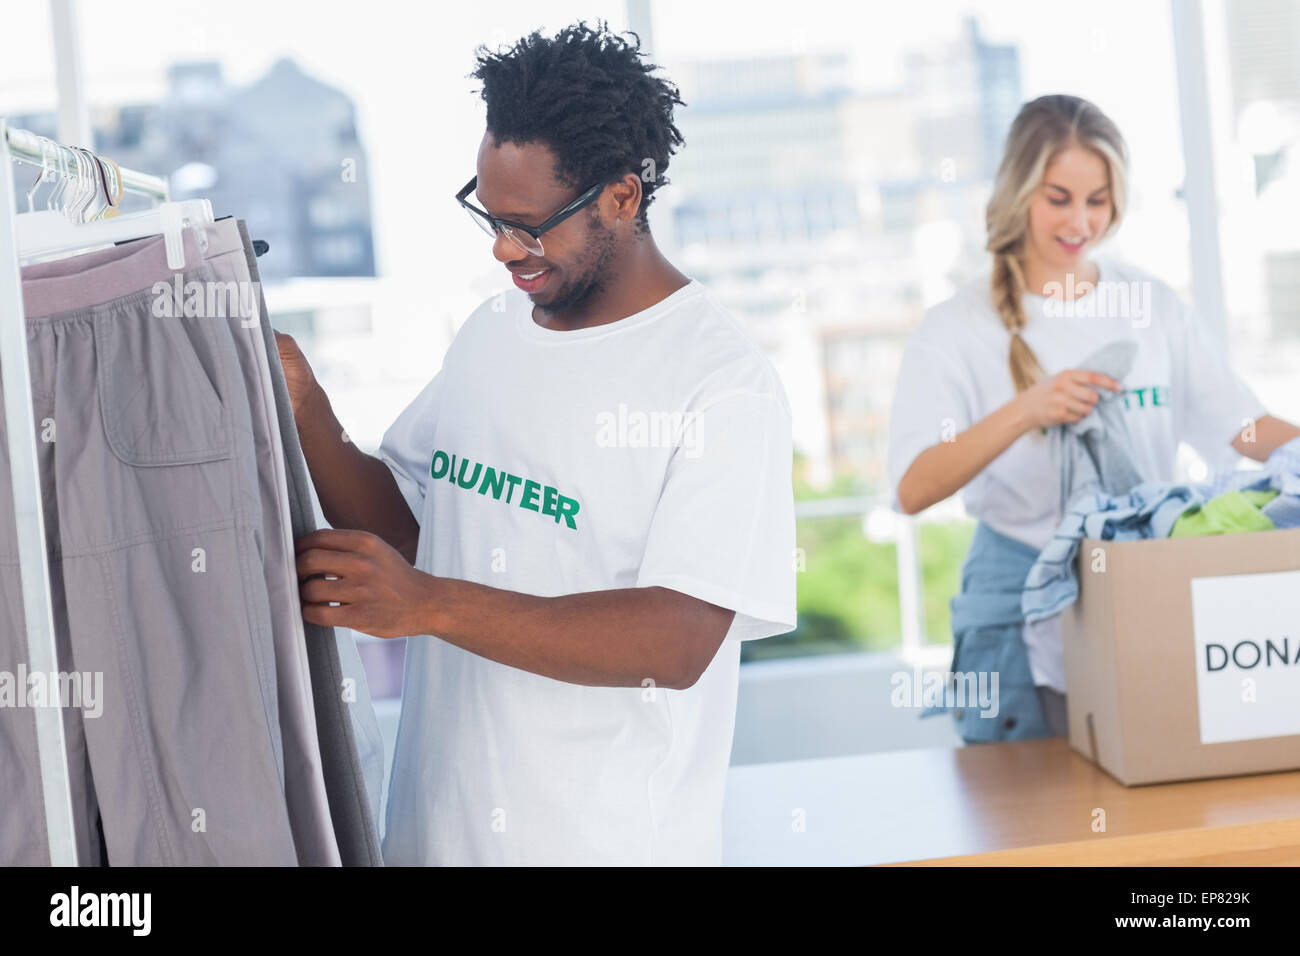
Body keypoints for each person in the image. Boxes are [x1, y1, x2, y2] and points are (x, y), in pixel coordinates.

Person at [275, 22, 796, 865]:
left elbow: (677, 640)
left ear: (623, 197)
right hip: (431, 839)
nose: (503, 248)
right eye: (488, 214)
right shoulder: (492, 333)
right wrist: (308, 409)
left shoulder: (719, 383)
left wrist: (429, 605)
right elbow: (415, 533)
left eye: (529, 225)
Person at [887, 93, 1300, 745]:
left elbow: (1242, 428)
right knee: (1032, 832)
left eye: (1098, 200)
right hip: (1015, 612)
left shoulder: (1151, 306)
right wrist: (1029, 408)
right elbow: (913, 487)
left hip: (1137, 590)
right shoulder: (955, 331)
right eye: (1059, 197)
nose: (1080, 220)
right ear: (1020, 189)